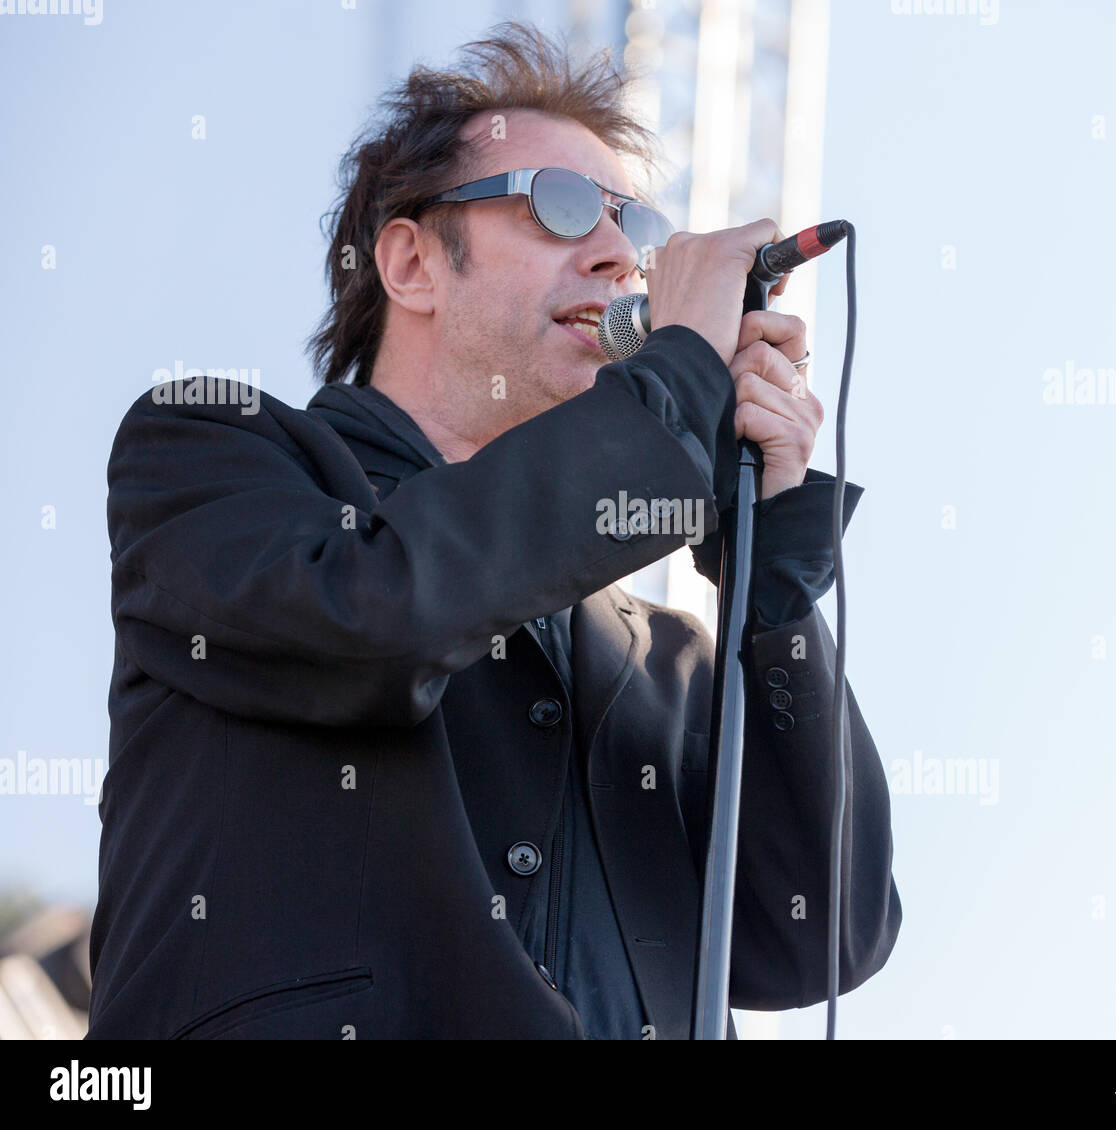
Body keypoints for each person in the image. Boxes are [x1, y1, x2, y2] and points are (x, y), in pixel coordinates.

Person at [87, 21, 901, 1040]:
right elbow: (376, 616)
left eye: (637, 230)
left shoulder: (671, 660)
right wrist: (680, 374)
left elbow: (819, 930)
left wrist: (769, 570)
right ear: (411, 263)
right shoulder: (215, 456)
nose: (618, 258)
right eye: (561, 209)